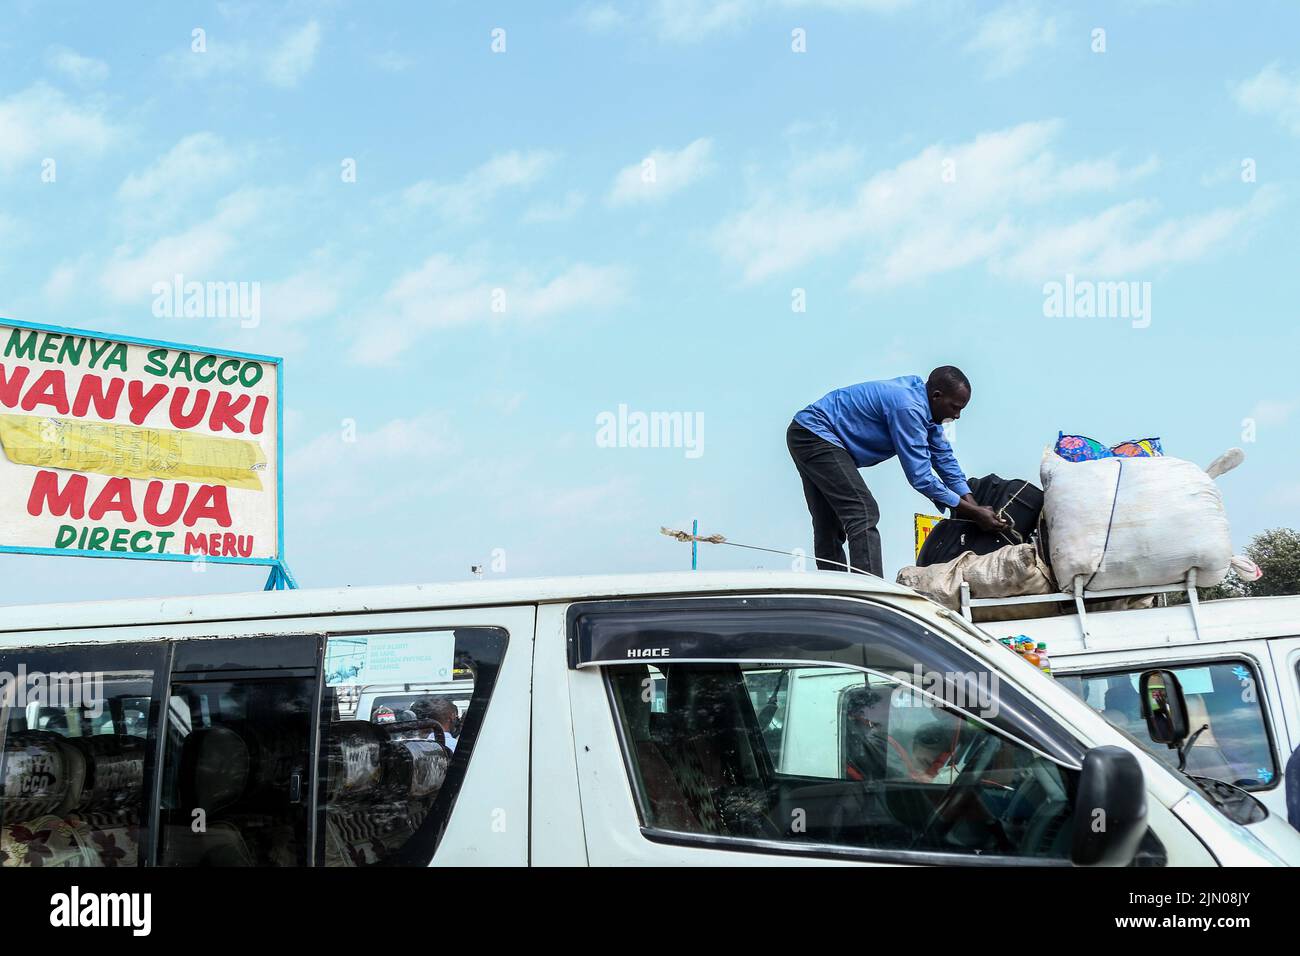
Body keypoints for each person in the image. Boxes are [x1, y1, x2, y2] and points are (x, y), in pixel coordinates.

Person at [787, 367, 1008, 576]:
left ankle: (834, 593)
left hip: (807, 432)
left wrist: (973, 506)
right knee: (863, 510)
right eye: (955, 407)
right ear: (937, 396)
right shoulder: (908, 408)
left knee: (829, 523)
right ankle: (870, 593)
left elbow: (943, 458)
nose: (958, 415)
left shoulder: (926, 410)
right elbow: (921, 477)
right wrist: (973, 512)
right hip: (815, 435)